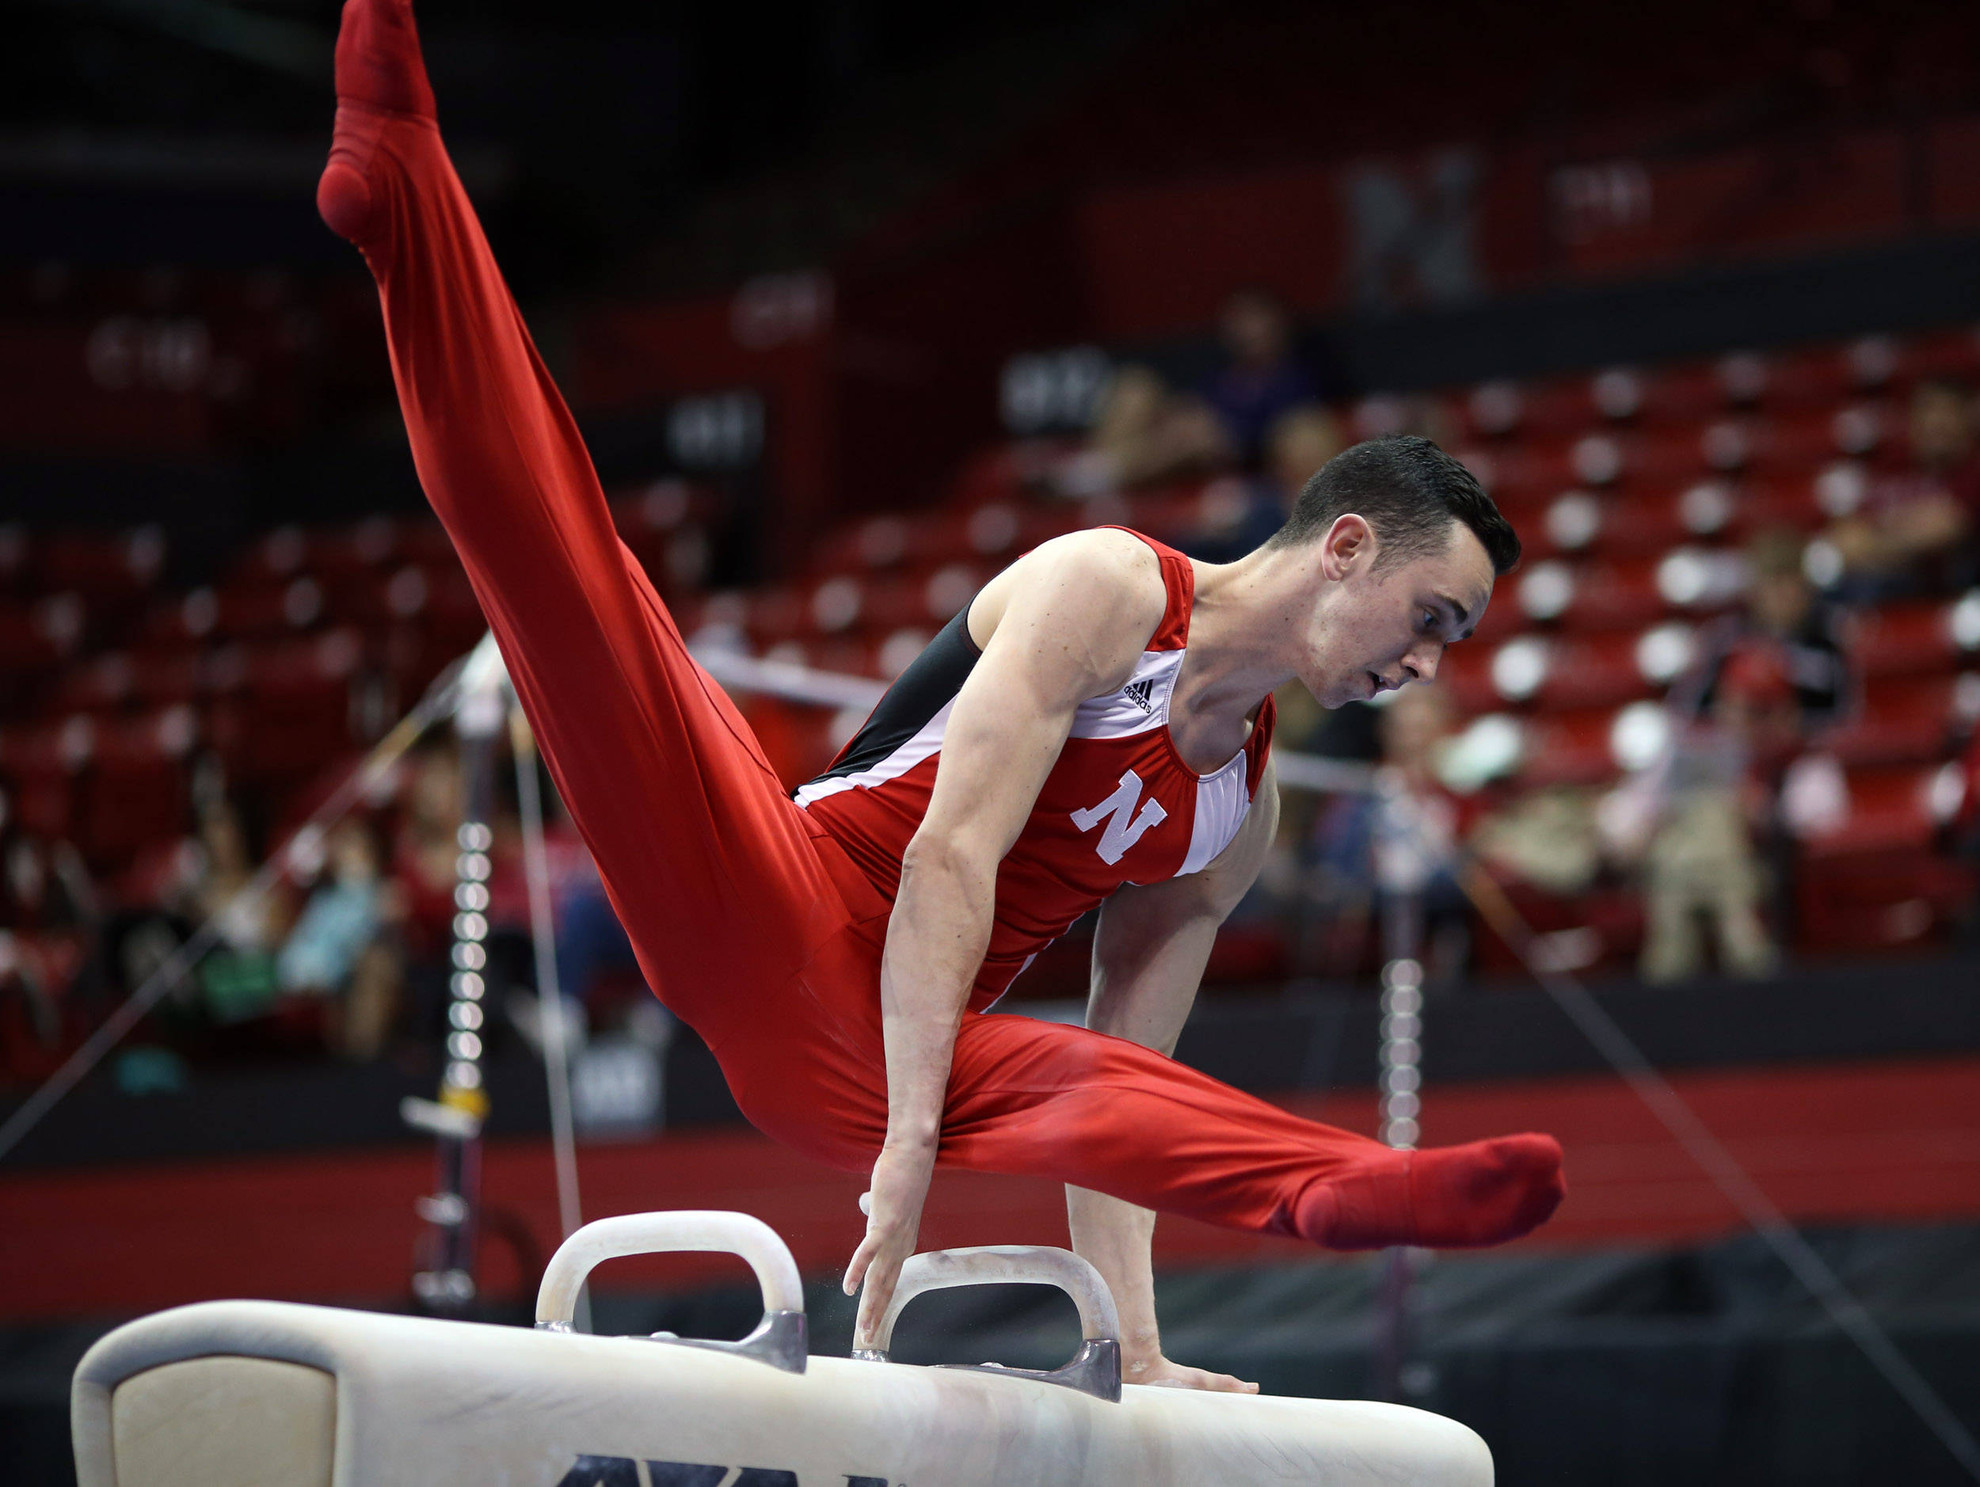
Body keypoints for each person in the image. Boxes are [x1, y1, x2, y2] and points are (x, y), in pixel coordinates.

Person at [317, 0, 1562, 1393]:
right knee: (574, 582)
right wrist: (909, 1151)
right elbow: (949, 854)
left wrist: (1133, 1345)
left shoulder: (1240, 814)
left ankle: (1344, 1192)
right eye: (1431, 618)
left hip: (899, 1049)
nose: (1429, 663)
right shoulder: (1107, 585)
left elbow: (1114, 1084)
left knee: (1089, 1081)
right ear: (1344, 548)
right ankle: (401, 177)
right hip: (780, 899)